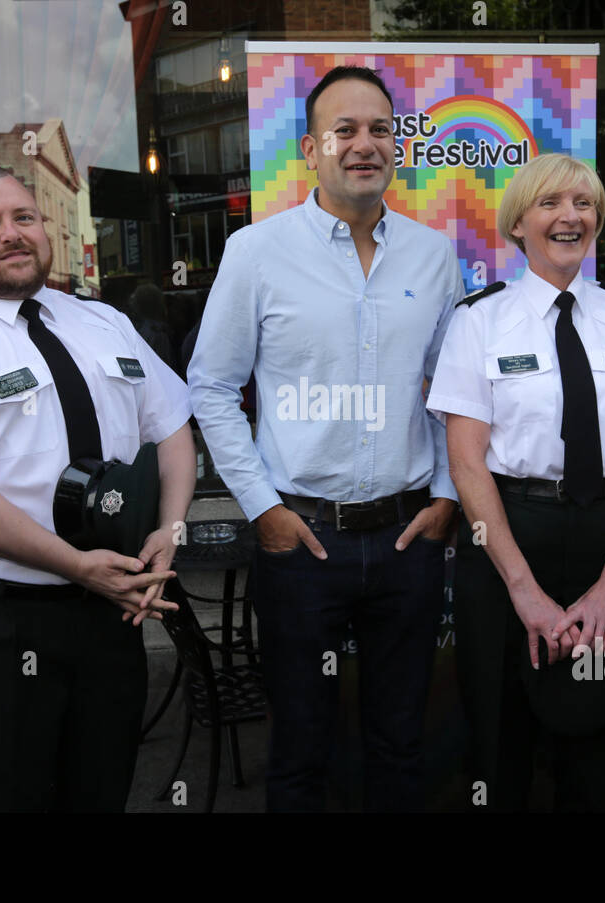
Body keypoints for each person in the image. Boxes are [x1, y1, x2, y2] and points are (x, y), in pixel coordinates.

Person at [0, 165, 196, 812]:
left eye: (24, 217)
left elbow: (174, 427)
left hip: (113, 609)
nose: (12, 234)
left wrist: (170, 528)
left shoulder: (103, 320)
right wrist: (76, 565)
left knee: (101, 788)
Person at [188, 65, 464, 812]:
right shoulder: (255, 252)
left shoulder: (435, 257)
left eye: (379, 129)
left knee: (400, 743)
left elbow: (456, 391)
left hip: (409, 539)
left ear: (397, 145)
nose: (364, 144)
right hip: (302, 542)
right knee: (300, 747)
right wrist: (261, 508)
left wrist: (444, 497)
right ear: (311, 148)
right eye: (345, 130)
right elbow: (211, 388)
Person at [426, 153, 605, 811]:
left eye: (584, 204)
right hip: (508, 539)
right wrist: (525, 591)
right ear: (520, 222)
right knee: (501, 743)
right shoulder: (479, 320)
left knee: (594, 747)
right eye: (552, 204)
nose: (570, 217)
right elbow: (467, 463)